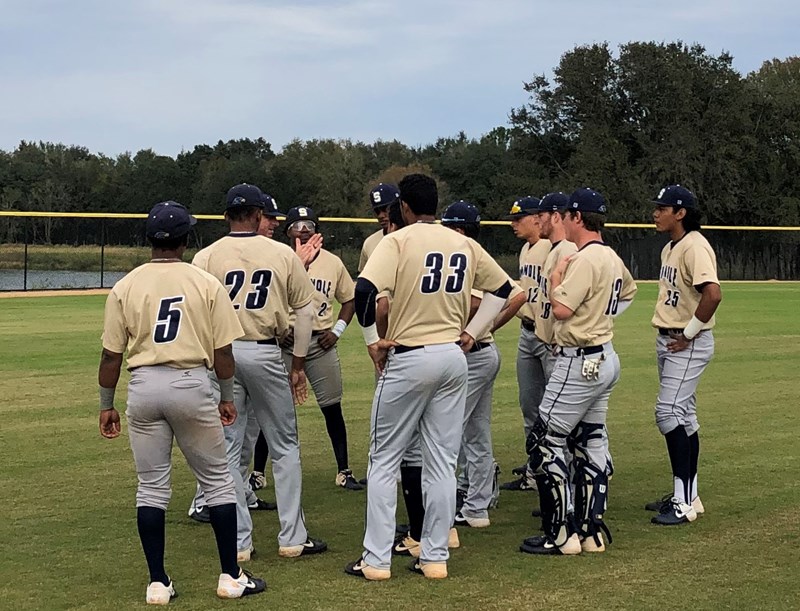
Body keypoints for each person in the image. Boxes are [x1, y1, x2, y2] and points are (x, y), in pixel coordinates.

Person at [344, 174, 513, 581]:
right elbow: (504, 288)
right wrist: (473, 331)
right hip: (453, 357)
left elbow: (365, 290)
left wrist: (371, 341)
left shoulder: (396, 241)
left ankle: (377, 560)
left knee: (384, 460)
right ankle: (435, 556)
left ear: (403, 206)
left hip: (409, 354)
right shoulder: (464, 242)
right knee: (441, 462)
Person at [98, 201, 266, 603]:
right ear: (186, 239)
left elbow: (110, 357)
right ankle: (230, 576)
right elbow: (224, 352)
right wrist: (227, 396)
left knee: (151, 489)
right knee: (218, 482)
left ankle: (158, 582)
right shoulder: (205, 283)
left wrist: (107, 404)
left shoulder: (126, 285)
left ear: (149, 239)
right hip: (191, 382)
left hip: (143, 386)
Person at [191, 183, 327, 561]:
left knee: (228, 450)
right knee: (284, 446)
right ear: (256, 215)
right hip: (266, 351)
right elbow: (304, 311)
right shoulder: (281, 253)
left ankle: (239, 542)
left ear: (226, 217)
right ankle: (292, 538)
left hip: (222, 356)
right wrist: (298, 363)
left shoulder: (205, 257)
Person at [520, 187, 637, 556]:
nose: (561, 221)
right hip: (605, 354)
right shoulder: (612, 256)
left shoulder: (584, 259)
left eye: (567, 215)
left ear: (577, 218)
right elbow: (627, 293)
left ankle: (560, 534)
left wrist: (556, 281)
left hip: (579, 358)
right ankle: (590, 531)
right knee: (590, 441)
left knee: (543, 441)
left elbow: (562, 310)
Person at [441, 201, 526, 528]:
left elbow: (512, 296)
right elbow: (514, 295)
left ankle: (456, 502)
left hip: (474, 356)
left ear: (459, 230)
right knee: (475, 433)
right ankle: (476, 506)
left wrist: (477, 329)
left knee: (449, 431)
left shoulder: (467, 257)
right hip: (479, 352)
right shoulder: (471, 254)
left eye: (448, 226)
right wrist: (483, 327)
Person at [646, 185, 722, 525]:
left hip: (686, 341)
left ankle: (683, 502)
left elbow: (714, 294)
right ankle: (691, 495)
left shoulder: (694, 246)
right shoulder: (671, 247)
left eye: (663, 208)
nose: (656, 212)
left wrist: (689, 334)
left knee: (668, 413)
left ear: (681, 213)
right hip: (670, 339)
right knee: (684, 416)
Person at [279, 205, 364, 490]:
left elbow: (349, 299)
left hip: (320, 341)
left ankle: (344, 470)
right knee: (274, 409)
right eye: (297, 226)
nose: (304, 230)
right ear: (287, 231)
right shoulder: (279, 259)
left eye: (309, 226)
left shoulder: (332, 262)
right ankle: (258, 471)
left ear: (318, 231)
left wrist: (338, 330)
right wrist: (279, 331)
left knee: (332, 407)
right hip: (286, 342)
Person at [500, 196, 552, 492]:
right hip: (526, 332)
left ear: (537, 219)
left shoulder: (551, 248)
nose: (513, 224)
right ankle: (535, 471)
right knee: (529, 406)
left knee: (553, 409)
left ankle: (560, 471)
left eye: (519, 218)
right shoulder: (525, 249)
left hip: (547, 335)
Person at [358, 183, 399, 272]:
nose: (380, 215)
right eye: (377, 211)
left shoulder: (413, 237)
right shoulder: (369, 243)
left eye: (385, 209)